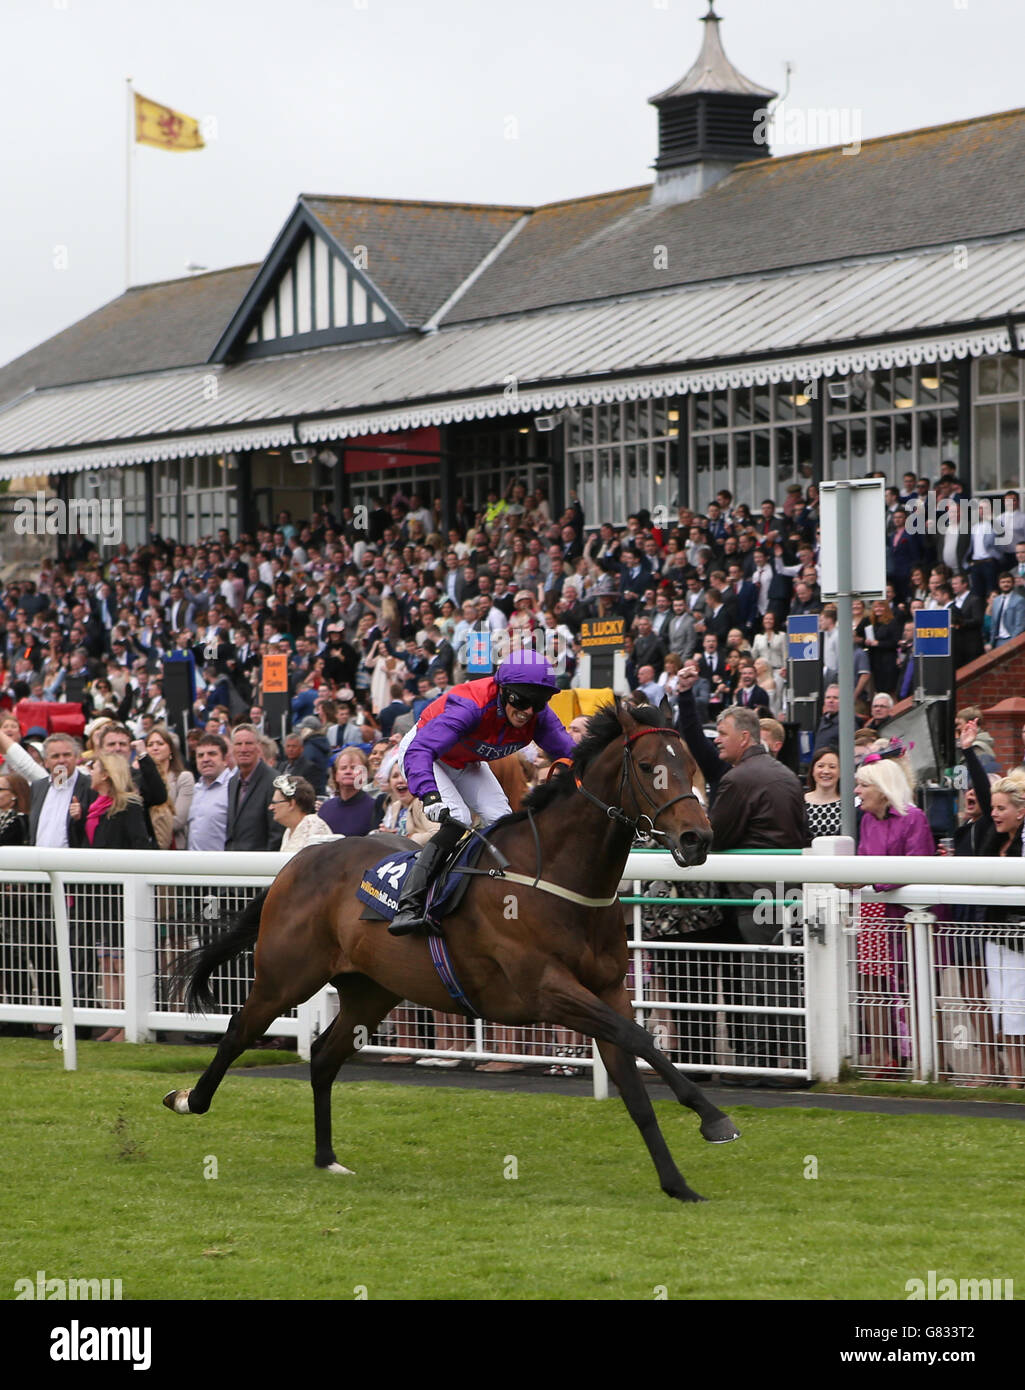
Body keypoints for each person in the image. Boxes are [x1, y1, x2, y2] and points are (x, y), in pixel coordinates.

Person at [389, 653, 576, 935]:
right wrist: (429, 794)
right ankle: (409, 905)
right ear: (502, 691)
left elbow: (573, 755)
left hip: (464, 760)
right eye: (521, 700)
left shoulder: (539, 717)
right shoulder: (471, 706)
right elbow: (421, 751)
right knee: (458, 818)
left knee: (502, 821)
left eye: (537, 703)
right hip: (424, 752)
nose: (527, 711)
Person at [852, 752, 935, 1076]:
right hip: (874, 912)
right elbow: (862, 861)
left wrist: (872, 880)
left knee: (915, 987)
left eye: (862, 786)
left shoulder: (914, 818)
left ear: (883, 789)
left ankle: (928, 1061)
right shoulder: (867, 820)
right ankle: (884, 1056)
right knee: (871, 985)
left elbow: (918, 866)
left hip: (909, 917)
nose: (857, 792)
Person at [68, 751, 151, 1041]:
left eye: (95, 767)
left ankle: (127, 1023)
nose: (90, 771)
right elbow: (85, 845)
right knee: (106, 961)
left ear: (106, 774)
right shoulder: (93, 805)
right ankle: (114, 1022)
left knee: (120, 961)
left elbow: (140, 844)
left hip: (120, 894)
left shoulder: (129, 805)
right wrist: (77, 822)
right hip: (97, 894)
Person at [270, 774, 340, 852]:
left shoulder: (314, 828)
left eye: (275, 802)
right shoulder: (289, 831)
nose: (271, 807)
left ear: (291, 804)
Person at [318, 748, 378, 835]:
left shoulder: (375, 808)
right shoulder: (325, 808)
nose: (348, 771)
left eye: (354, 768)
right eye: (343, 768)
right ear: (336, 775)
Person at [804, 748, 842, 839]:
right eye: (820, 766)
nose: (826, 771)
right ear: (812, 771)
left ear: (840, 772)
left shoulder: (850, 805)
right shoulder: (799, 802)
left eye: (832, 767)